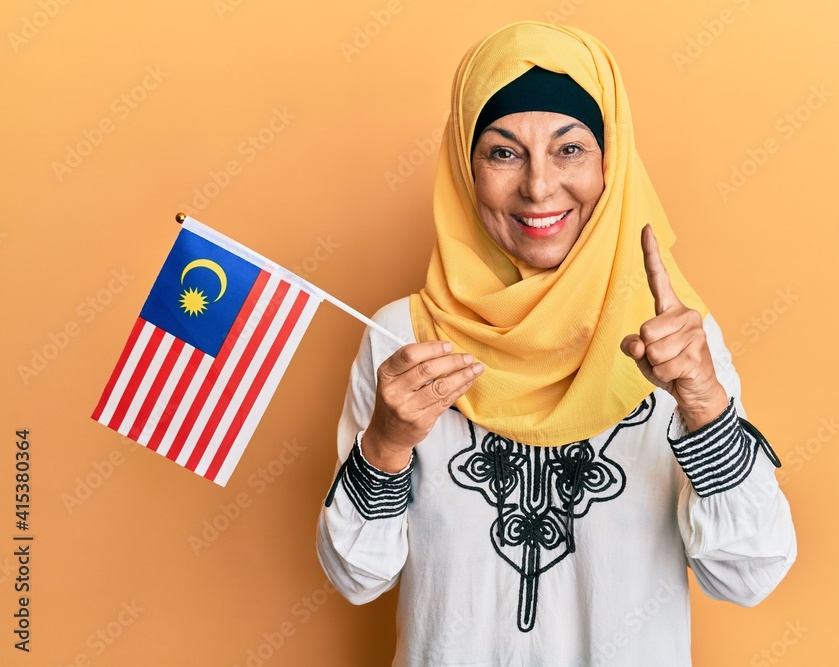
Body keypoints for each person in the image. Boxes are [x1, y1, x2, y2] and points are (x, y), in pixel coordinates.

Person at [317, 21, 796, 666]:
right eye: (503, 152)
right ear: (465, 168)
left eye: (570, 149)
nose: (539, 187)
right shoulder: (403, 340)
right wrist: (386, 446)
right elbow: (357, 577)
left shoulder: (677, 343)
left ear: (611, 162)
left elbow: (746, 575)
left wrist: (705, 406)